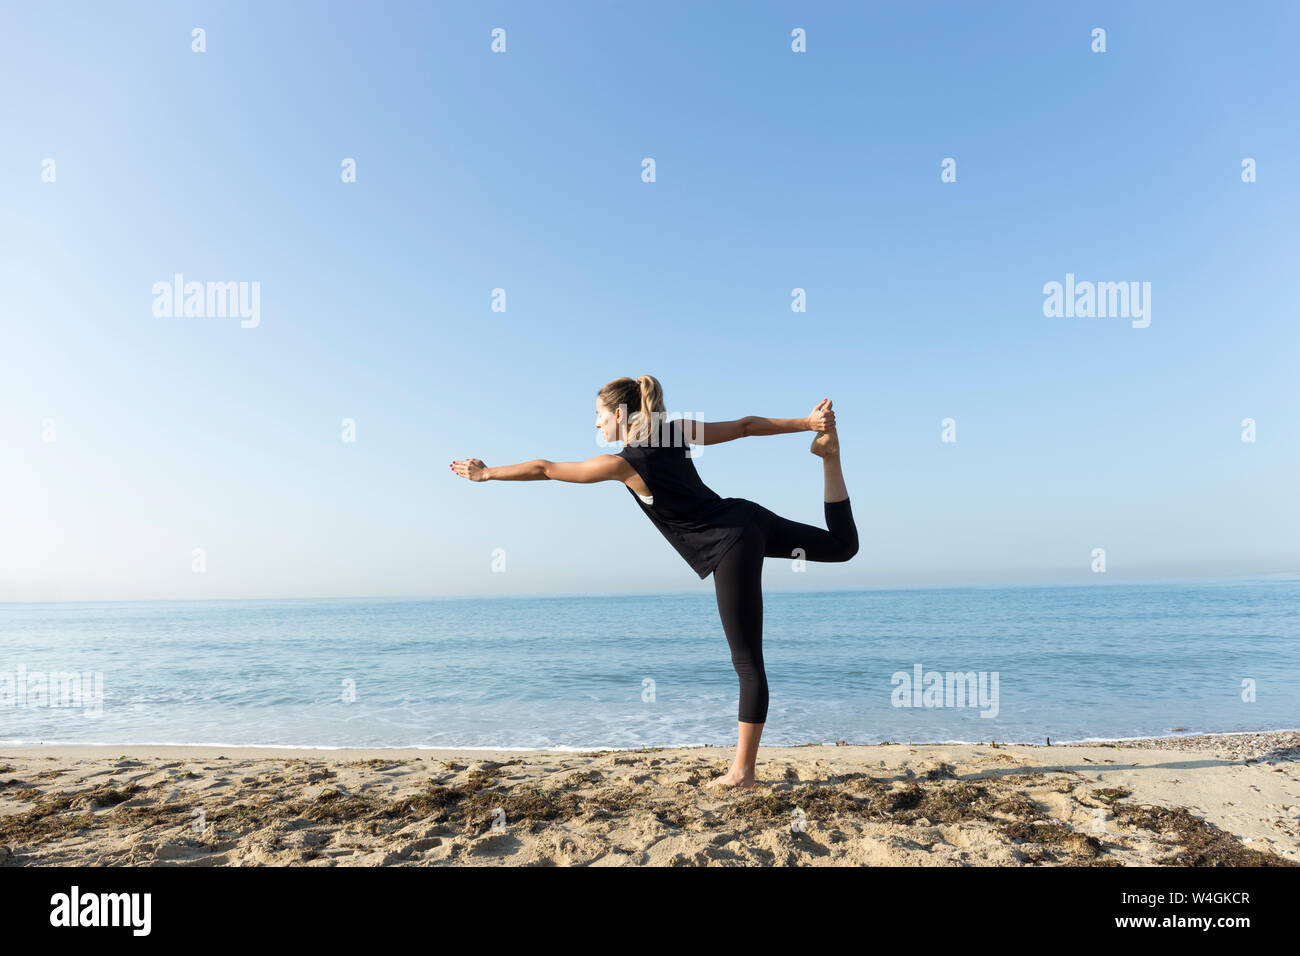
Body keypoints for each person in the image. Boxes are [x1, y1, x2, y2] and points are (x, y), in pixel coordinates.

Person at [450, 374, 859, 788]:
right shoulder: (674, 432)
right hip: (746, 518)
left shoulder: (623, 464)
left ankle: (742, 772)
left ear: (620, 414)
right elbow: (744, 427)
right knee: (843, 546)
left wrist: (487, 474)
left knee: (748, 664)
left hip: (730, 544)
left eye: (598, 416)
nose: (596, 425)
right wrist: (807, 424)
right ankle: (829, 456)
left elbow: (546, 469)